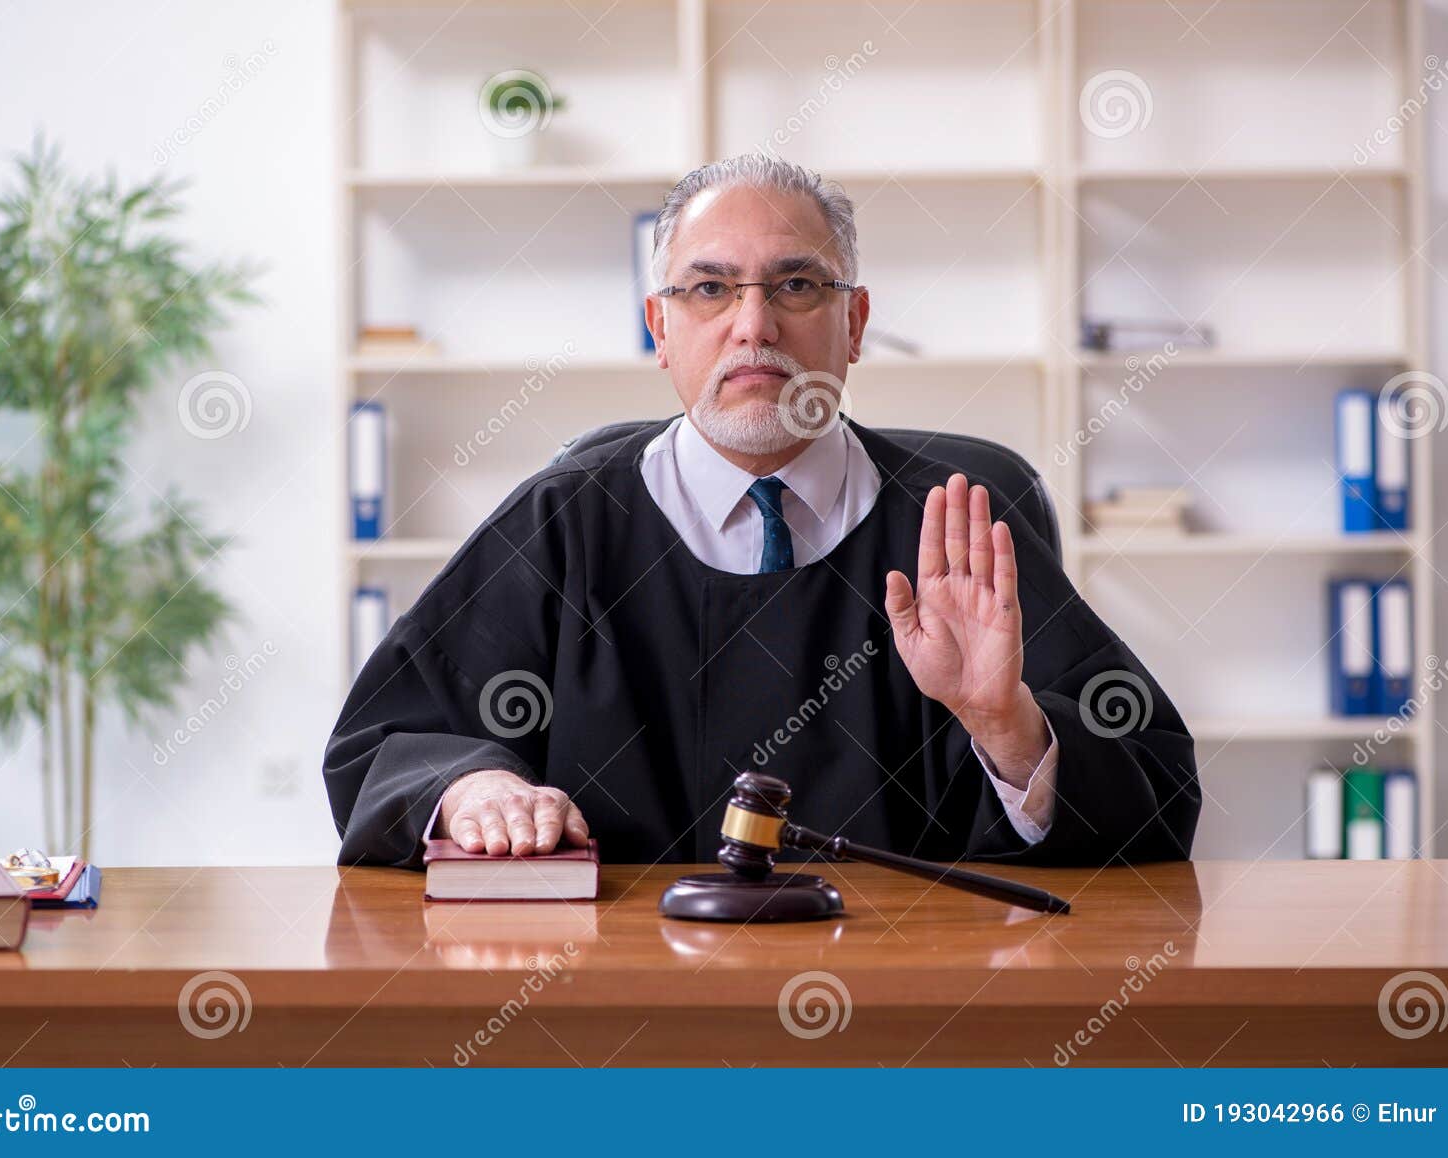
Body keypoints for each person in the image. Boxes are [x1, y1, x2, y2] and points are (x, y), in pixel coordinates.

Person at [323, 153, 1200, 870]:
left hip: (909, 1017)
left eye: (795, 287)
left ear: (853, 325)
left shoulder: (956, 528)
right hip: (615, 1019)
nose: (754, 326)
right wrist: (477, 789)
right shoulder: (563, 525)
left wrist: (1006, 725)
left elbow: (1158, 795)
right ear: (659, 330)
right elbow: (389, 741)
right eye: (709, 290)